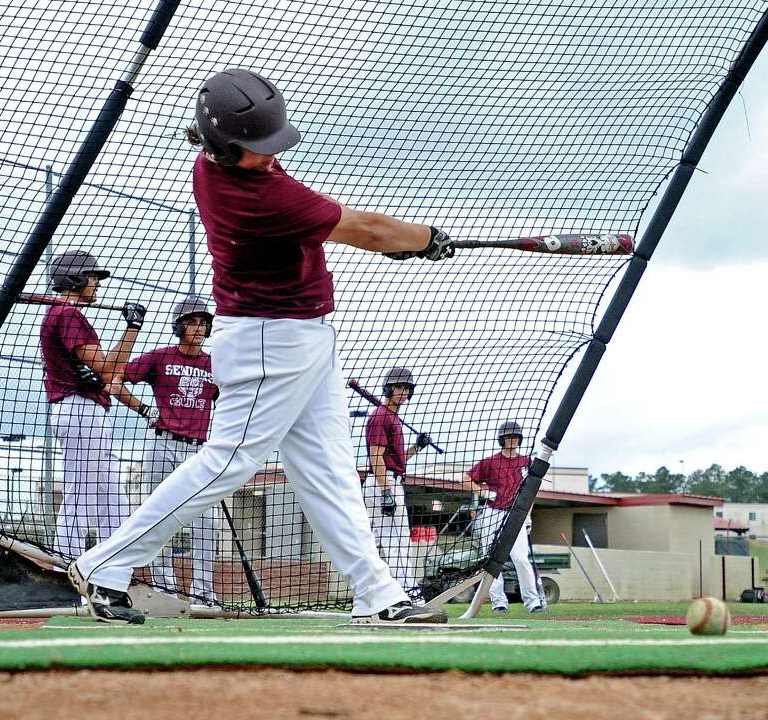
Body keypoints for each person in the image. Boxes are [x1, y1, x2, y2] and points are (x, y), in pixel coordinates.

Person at [69, 68, 453, 625]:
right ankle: (106, 564)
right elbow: (368, 230)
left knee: (328, 469)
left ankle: (377, 592)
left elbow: (351, 227)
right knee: (228, 460)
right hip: (271, 341)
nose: (271, 156)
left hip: (306, 338)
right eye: (257, 148)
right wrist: (425, 240)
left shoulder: (219, 162)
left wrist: (407, 243)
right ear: (225, 148)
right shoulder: (262, 197)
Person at [109, 295, 219, 605]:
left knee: (205, 523)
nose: (198, 328)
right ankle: (165, 590)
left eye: (203, 323)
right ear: (179, 325)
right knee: (160, 516)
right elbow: (115, 378)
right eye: (192, 322)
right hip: (163, 443)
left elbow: (231, 401)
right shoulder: (160, 357)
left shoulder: (215, 364)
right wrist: (143, 409)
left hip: (200, 450)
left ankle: (203, 595)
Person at [40, 249, 146, 560]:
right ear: (74, 278)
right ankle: (65, 569)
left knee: (111, 496)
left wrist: (97, 376)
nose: (97, 283)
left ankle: (113, 568)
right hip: (79, 410)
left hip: (86, 410)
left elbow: (101, 373)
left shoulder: (65, 313)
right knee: (83, 495)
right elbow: (108, 368)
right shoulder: (66, 314)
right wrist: (132, 328)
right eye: (91, 277)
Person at [462, 421, 545, 613]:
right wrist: (484, 492)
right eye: (508, 436)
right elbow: (465, 479)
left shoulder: (526, 462)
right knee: (490, 559)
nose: (512, 440)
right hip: (492, 513)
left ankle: (532, 602)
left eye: (515, 436)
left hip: (516, 515)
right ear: (502, 439)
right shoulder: (490, 462)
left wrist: (528, 516)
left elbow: (530, 491)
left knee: (521, 558)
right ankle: (498, 601)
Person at [364, 366, 433, 594]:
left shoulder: (391, 417)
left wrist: (417, 447)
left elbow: (397, 460)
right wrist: (386, 491)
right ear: (388, 388)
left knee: (389, 543)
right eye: (399, 387)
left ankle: (386, 592)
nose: (403, 392)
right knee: (396, 543)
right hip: (383, 483)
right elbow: (376, 457)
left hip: (390, 481)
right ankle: (406, 593)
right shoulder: (381, 416)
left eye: (406, 388)